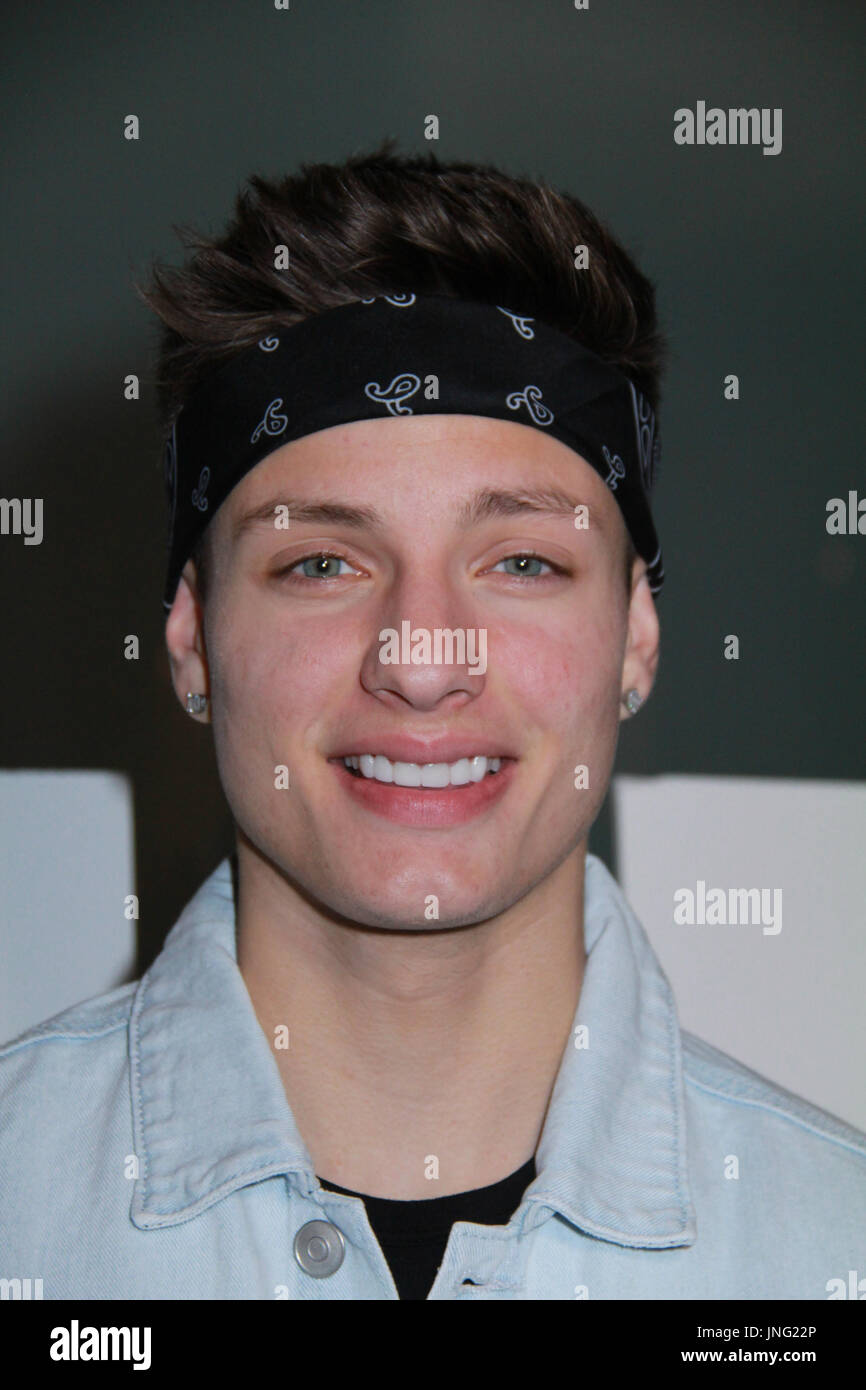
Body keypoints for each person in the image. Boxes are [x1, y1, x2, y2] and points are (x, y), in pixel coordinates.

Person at [1, 143, 863, 1302]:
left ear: (636, 635)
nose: (419, 660)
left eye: (518, 559)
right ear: (194, 635)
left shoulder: (829, 1247)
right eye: (319, 561)